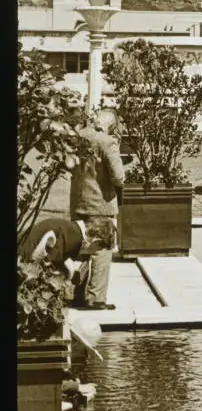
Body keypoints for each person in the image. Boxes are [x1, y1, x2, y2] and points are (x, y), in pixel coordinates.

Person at [68, 107, 124, 310]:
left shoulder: (77, 137)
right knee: (102, 249)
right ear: (110, 125)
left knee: (81, 248)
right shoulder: (107, 141)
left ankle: (75, 294)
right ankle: (96, 297)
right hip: (100, 204)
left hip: (78, 201)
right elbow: (118, 176)